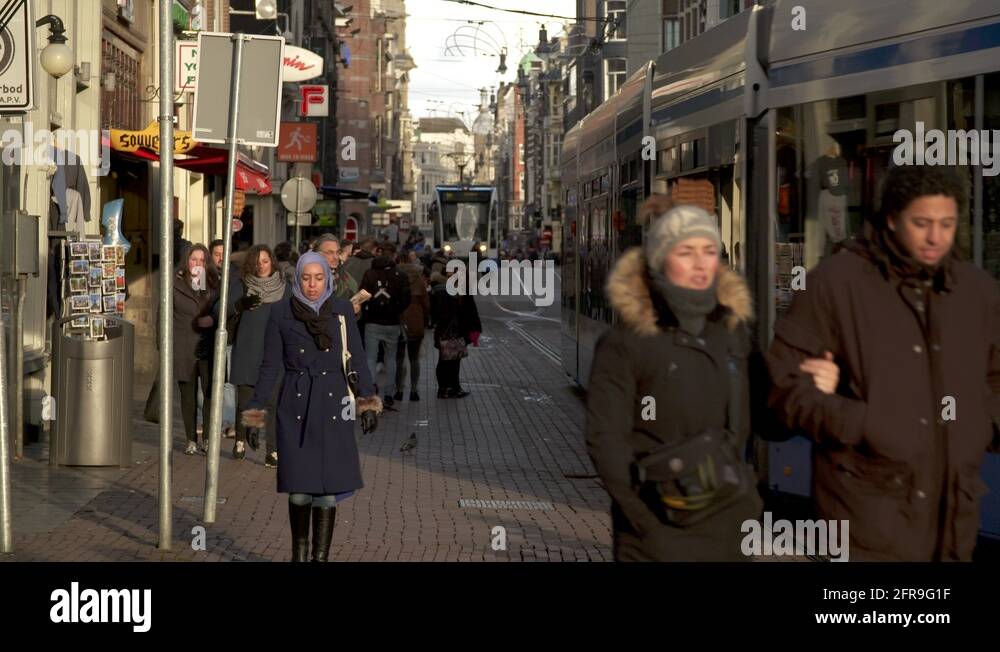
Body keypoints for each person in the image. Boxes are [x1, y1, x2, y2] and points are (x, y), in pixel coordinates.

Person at [766, 165, 1000, 561]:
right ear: (891, 220)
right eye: (921, 223)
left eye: (946, 223)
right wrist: (858, 422)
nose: (935, 237)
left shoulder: (977, 291)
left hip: (953, 525)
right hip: (863, 524)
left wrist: (981, 425)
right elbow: (782, 387)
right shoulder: (835, 284)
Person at [585, 201, 838, 562]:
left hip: (731, 528)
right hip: (659, 537)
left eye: (709, 251)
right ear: (659, 260)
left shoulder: (733, 333)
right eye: (686, 252)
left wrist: (808, 388)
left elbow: (768, 418)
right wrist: (644, 521)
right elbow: (605, 441)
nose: (701, 263)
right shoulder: (625, 343)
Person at [240, 252, 382, 562]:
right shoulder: (280, 313)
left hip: (334, 405)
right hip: (296, 406)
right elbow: (269, 367)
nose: (313, 284)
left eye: (319, 278)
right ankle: (299, 556)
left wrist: (368, 402)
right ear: (298, 279)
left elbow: (357, 359)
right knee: (300, 489)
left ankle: (320, 558)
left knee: (328, 491)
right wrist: (254, 413)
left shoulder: (343, 310)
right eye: (307, 278)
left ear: (327, 279)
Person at [219, 244, 291, 467]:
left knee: (273, 402)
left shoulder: (285, 288)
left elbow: (293, 318)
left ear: (272, 262)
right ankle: (240, 440)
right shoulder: (242, 284)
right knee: (245, 399)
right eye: (257, 262)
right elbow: (223, 310)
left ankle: (273, 450)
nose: (261, 266)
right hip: (248, 349)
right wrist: (239, 305)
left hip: (274, 352)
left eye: (265, 261)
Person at [172, 244, 220, 455]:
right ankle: (191, 438)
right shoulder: (175, 284)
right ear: (187, 261)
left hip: (208, 347)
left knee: (210, 393)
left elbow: (222, 311)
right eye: (194, 260)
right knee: (188, 396)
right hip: (184, 347)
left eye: (202, 260)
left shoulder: (213, 284)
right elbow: (164, 315)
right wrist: (163, 346)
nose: (198, 264)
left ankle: (208, 438)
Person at [359, 243, 411, 407]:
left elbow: (362, 295)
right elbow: (406, 299)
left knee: (370, 357)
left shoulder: (370, 274)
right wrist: (395, 311)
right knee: (391, 358)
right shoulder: (400, 275)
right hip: (392, 323)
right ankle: (389, 393)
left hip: (373, 322)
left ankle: (371, 389)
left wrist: (367, 313)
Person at [429, 261, 481, 399]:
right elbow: (438, 312)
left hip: (454, 330)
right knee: (447, 361)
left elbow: (471, 311)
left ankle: (451, 387)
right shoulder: (442, 291)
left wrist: (475, 328)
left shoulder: (461, 290)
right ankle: (446, 388)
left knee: (452, 360)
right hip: (448, 331)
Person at [394, 253, 431, 402]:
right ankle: (414, 390)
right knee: (414, 358)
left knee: (399, 358)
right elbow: (427, 305)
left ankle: (399, 389)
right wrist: (426, 319)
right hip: (416, 322)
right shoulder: (420, 281)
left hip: (400, 321)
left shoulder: (396, 278)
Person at [314, 234, 359, 304]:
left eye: (337, 252)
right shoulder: (306, 277)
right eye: (330, 252)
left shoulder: (346, 278)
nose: (335, 257)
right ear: (317, 254)